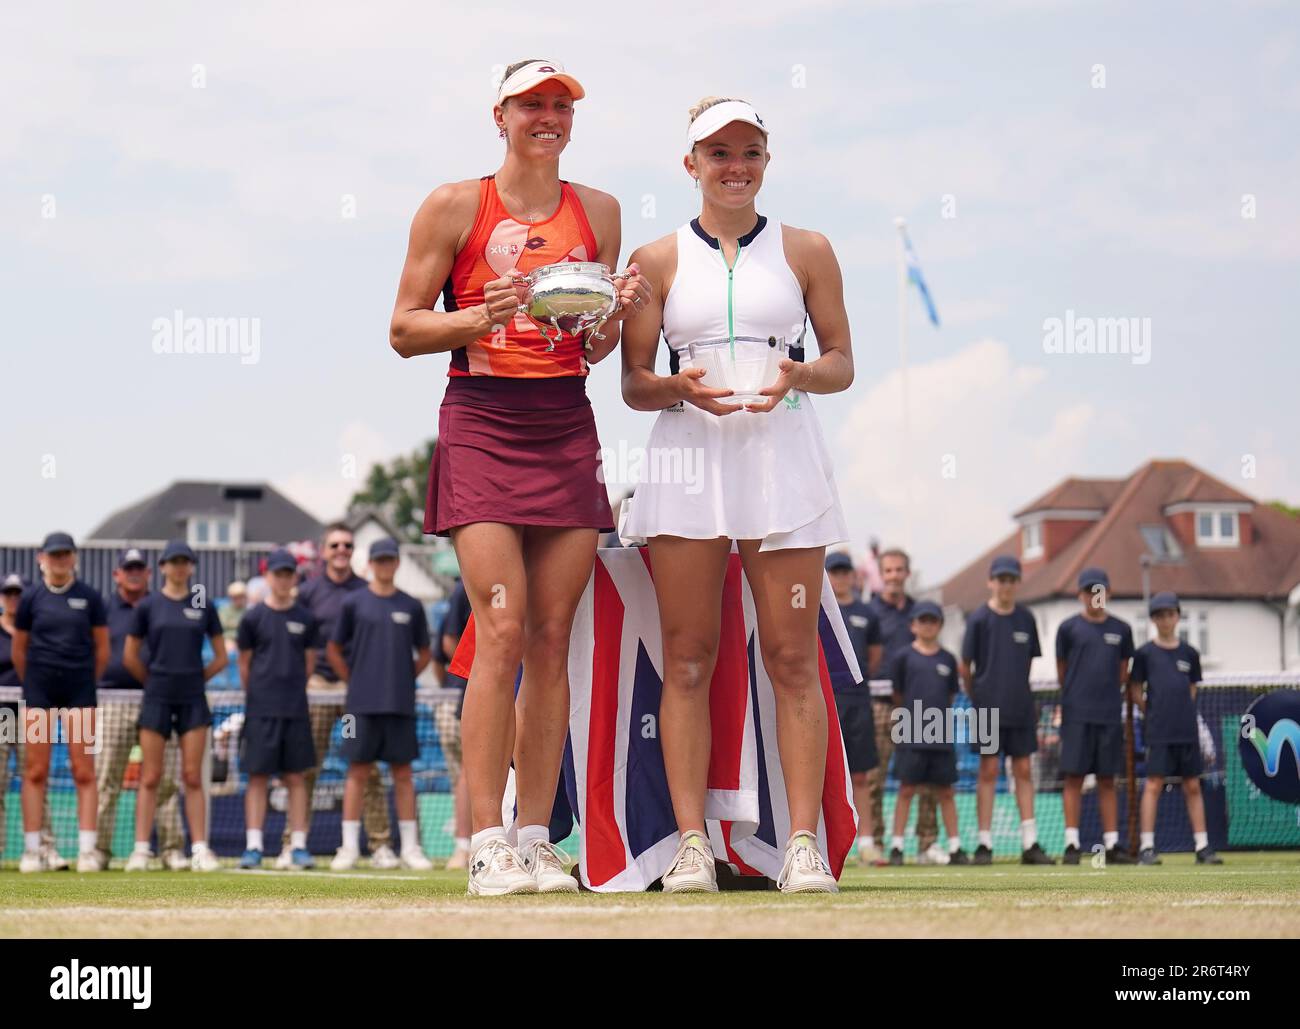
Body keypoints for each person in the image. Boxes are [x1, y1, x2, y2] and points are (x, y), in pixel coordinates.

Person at [391, 58, 647, 896]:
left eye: (561, 105)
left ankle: (537, 836)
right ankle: (486, 840)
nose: (548, 116)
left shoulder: (600, 211)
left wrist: (616, 310)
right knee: (499, 630)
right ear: (498, 115)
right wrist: (478, 314)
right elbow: (403, 328)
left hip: (566, 421)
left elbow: (595, 345)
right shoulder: (454, 203)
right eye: (532, 104)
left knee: (551, 640)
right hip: (482, 420)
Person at [620, 96, 854, 894]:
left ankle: (801, 844)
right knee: (687, 657)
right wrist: (676, 389)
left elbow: (841, 363)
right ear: (690, 165)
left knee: (793, 657)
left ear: (765, 161)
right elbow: (633, 384)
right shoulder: (652, 261)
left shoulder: (809, 249)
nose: (734, 166)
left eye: (749, 151)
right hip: (689, 459)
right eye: (717, 153)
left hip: (782, 455)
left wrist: (800, 373)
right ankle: (692, 844)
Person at [289, 524, 392, 870]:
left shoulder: (365, 590)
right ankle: (294, 843)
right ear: (324, 550)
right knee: (306, 766)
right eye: (335, 544)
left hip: (355, 693)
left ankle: (379, 845)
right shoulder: (308, 591)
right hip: (317, 687)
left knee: (367, 769)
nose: (342, 549)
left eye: (348, 544)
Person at [327, 538, 434, 871]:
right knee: (356, 772)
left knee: (403, 774)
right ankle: (347, 847)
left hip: (400, 703)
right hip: (359, 705)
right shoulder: (353, 603)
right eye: (380, 560)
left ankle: (411, 848)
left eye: (390, 559)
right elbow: (333, 649)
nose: (385, 565)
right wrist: (355, 680)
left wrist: (402, 677)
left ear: (398, 563)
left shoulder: (412, 605)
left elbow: (425, 653)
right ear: (371, 563)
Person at [124, 539, 227, 872]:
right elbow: (130, 656)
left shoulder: (201, 602)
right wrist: (155, 681)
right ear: (163, 567)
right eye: (174, 561)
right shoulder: (148, 605)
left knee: (192, 776)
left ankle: (199, 848)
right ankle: (141, 850)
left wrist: (195, 679)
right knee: (150, 775)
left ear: (192, 567)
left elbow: (222, 656)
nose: (180, 567)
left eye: (185, 561)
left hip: (193, 699)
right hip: (157, 696)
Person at [12, 533, 108, 873]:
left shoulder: (91, 598)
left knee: (84, 771)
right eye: (54, 555)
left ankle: (86, 852)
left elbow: (102, 648)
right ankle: (32, 851)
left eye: (65, 554)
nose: (60, 560)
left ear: (74, 557)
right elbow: (19, 650)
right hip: (39, 695)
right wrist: (36, 683)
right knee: (35, 771)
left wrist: (83, 681)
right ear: (42, 558)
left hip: (80, 694)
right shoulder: (31, 599)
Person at [90, 548, 187, 871]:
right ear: (117, 574)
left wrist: (156, 685)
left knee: (165, 779)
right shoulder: (103, 608)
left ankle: (171, 849)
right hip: (113, 699)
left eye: (139, 568)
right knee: (107, 778)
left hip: (158, 699)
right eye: (127, 568)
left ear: (149, 573)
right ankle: (100, 850)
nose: (133, 573)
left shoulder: (162, 605)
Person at [959, 555, 1055, 865]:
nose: (1006, 585)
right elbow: (966, 666)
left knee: (1024, 771)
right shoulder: (978, 619)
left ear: (1017, 583)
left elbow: (1028, 662)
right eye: (1001, 579)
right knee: (988, 771)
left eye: (1011, 579)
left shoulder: (1026, 619)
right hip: (987, 707)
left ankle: (1030, 843)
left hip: (1021, 707)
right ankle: (984, 844)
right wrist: (981, 695)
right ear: (991, 582)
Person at [236, 548, 317, 870]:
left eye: (288, 574)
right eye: (278, 574)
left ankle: (298, 846)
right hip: (260, 710)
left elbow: (308, 663)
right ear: (268, 577)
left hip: (295, 709)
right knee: (257, 778)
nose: (283, 580)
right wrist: (260, 694)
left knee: (296, 777)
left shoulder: (305, 619)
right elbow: (245, 664)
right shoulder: (252, 617)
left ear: (294, 577)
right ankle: (253, 846)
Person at [1131, 592, 1222, 866]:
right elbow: (1135, 690)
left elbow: (1191, 689)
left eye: (1170, 614)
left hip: (1186, 731)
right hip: (1158, 731)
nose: (1165, 620)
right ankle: (1147, 847)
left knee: (1193, 785)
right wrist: (1153, 712)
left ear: (1177, 617)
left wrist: (1181, 713)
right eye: (1159, 615)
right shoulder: (1144, 654)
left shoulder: (1190, 654)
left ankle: (1202, 846)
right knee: (1154, 784)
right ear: (1153, 620)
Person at [865, 548, 942, 863]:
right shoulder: (869, 612)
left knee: (927, 779)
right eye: (889, 571)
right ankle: (877, 845)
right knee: (873, 779)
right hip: (880, 704)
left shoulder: (919, 613)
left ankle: (927, 845)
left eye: (899, 570)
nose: (894, 576)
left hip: (917, 707)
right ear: (881, 575)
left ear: (907, 574)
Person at [1055, 567, 1136, 865]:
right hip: (1076, 714)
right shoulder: (1068, 629)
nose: (1095, 596)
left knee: (1106, 779)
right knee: (1074, 778)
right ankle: (1072, 844)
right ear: (1080, 595)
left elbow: (1123, 672)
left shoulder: (1122, 630)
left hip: (1109, 715)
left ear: (1108, 593)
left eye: (1100, 590)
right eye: (1089, 591)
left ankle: (1112, 844)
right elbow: (1062, 671)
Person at [886, 601, 968, 865]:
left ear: (940, 625)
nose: (928, 625)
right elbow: (898, 694)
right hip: (911, 733)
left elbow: (951, 694)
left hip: (941, 736)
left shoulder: (948, 659)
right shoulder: (903, 658)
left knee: (946, 791)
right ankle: (897, 847)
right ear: (913, 625)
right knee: (906, 789)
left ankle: (955, 848)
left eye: (933, 620)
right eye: (922, 620)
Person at [826, 551, 883, 864]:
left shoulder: (867, 613)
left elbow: (873, 656)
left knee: (861, 775)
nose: (840, 578)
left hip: (857, 700)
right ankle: (824, 840)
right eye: (834, 572)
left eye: (845, 572)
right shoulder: (817, 608)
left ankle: (867, 842)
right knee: (823, 773)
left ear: (853, 575)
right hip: (823, 699)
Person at [436, 577, 472, 870]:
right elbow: (447, 643)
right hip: (470, 692)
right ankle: (463, 846)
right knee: (468, 769)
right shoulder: (464, 589)